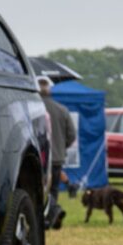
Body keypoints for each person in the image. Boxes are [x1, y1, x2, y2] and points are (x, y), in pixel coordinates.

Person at [37, 77, 75, 228]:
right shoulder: (62, 109)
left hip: (38, 157)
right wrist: (61, 147)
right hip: (57, 158)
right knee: (53, 189)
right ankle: (51, 216)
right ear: (50, 90)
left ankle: (42, 218)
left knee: (38, 188)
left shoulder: (33, 109)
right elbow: (72, 135)